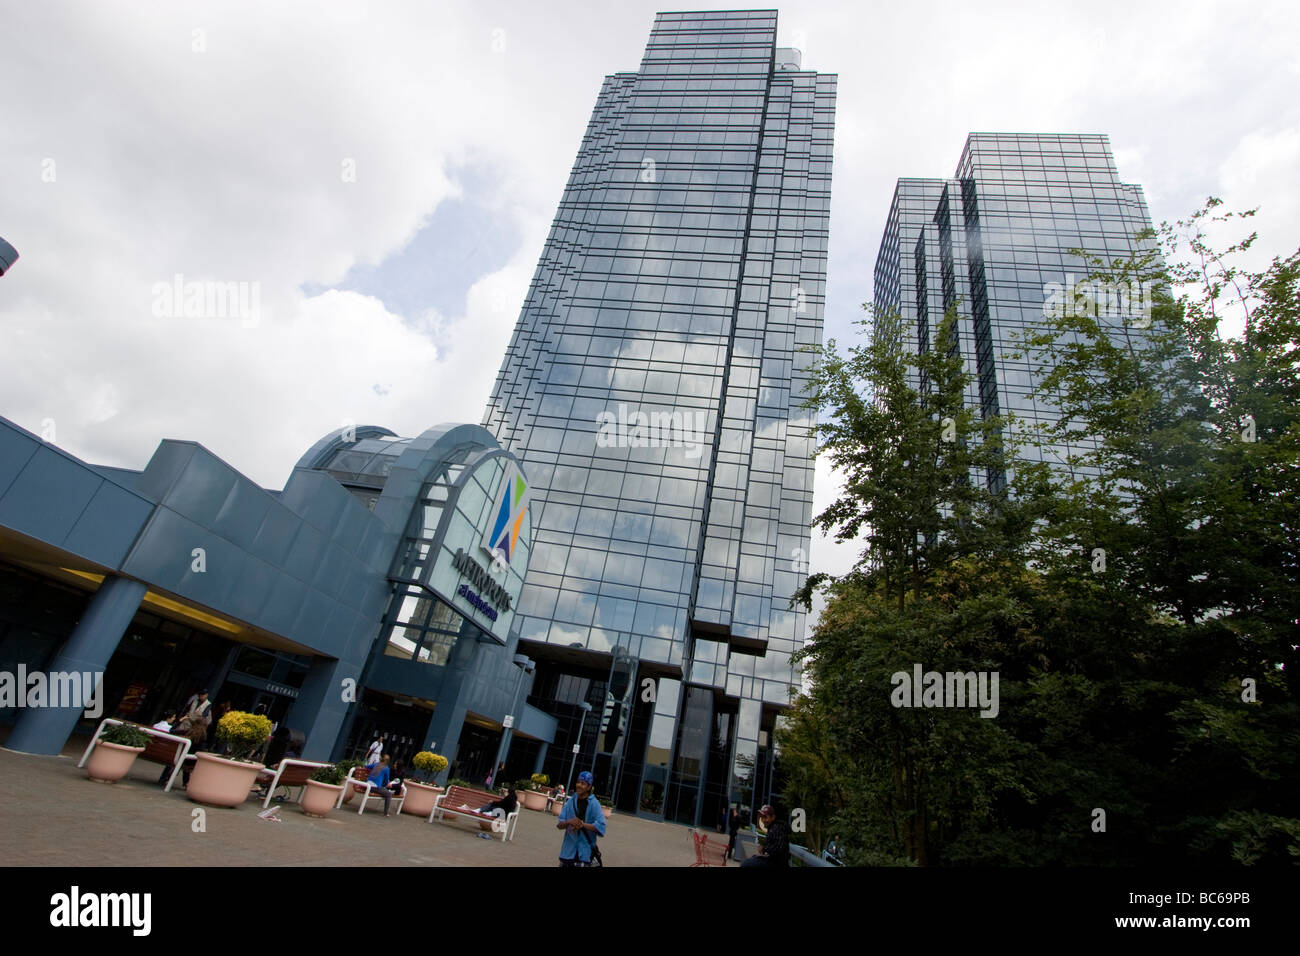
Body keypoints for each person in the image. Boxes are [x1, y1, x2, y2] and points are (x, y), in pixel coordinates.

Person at [555, 771, 605, 866]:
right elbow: (559, 825)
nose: (579, 785)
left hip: (584, 856)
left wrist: (583, 825)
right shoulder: (571, 802)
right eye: (578, 782)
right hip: (567, 855)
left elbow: (601, 827)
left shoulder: (594, 804)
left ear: (589, 787)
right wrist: (570, 822)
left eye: (583, 783)